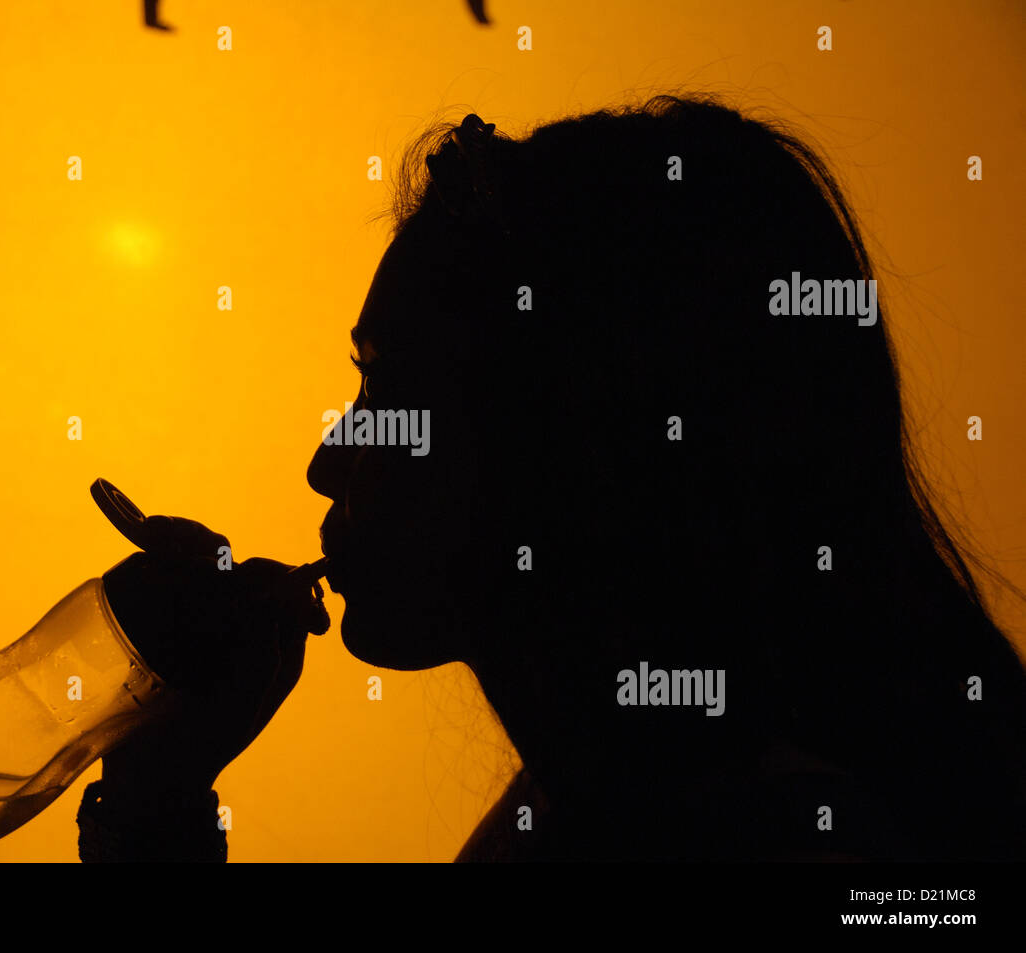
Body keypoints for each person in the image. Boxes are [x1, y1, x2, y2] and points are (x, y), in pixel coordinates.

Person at [77, 94, 1026, 862]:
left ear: (573, 431)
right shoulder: (606, 809)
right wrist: (160, 791)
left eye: (391, 392)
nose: (327, 463)